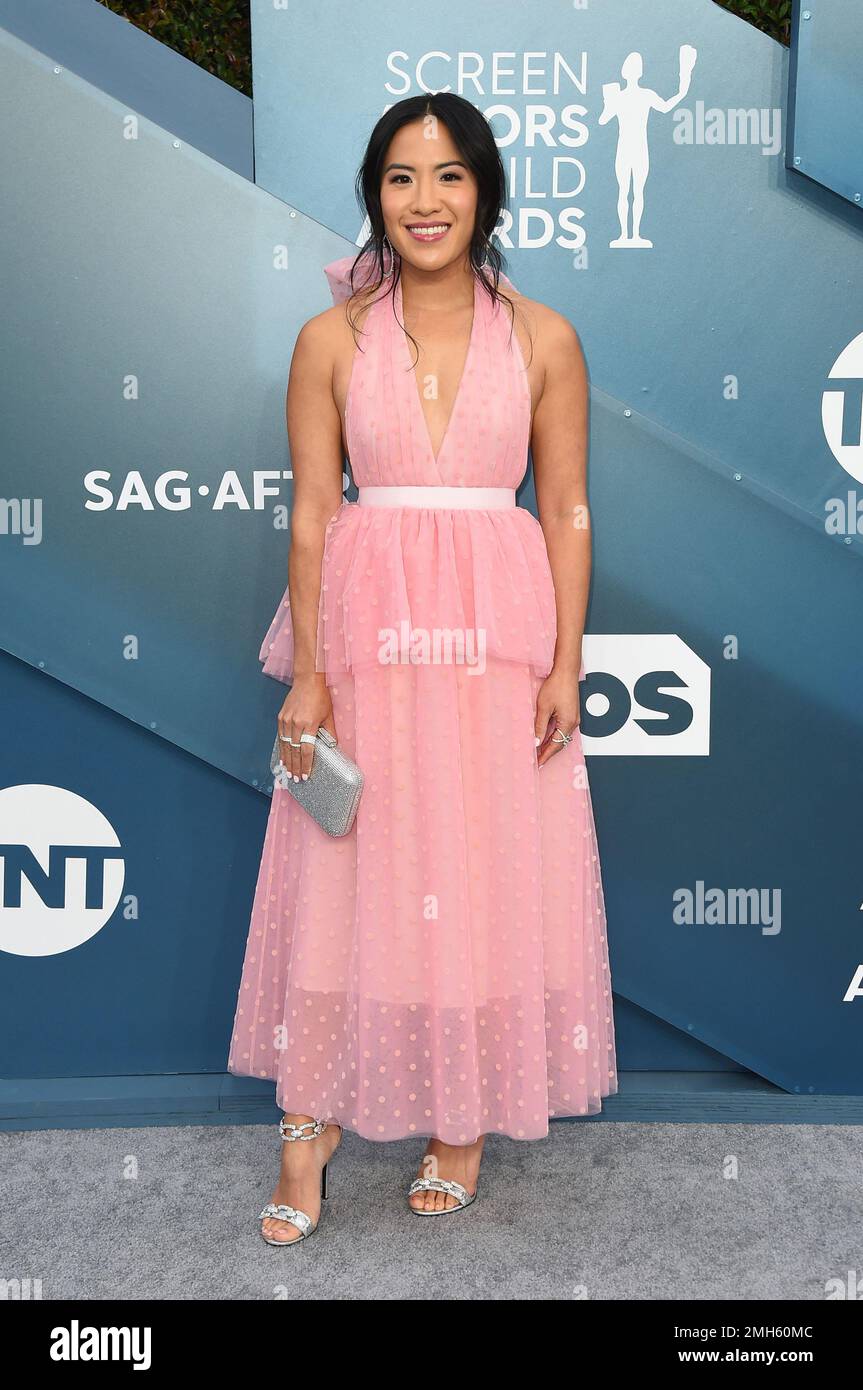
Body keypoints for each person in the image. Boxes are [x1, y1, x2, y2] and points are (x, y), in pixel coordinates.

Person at [227, 91, 618, 1246]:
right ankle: (307, 1132)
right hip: (366, 634)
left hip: (497, 641)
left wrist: (563, 663)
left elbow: (567, 512)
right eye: (400, 178)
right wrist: (308, 672)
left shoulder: (544, 337)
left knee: (478, 868)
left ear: (484, 189)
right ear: (375, 197)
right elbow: (309, 517)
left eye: (447, 176)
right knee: (343, 867)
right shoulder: (329, 339)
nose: (424, 200)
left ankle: (460, 1123)